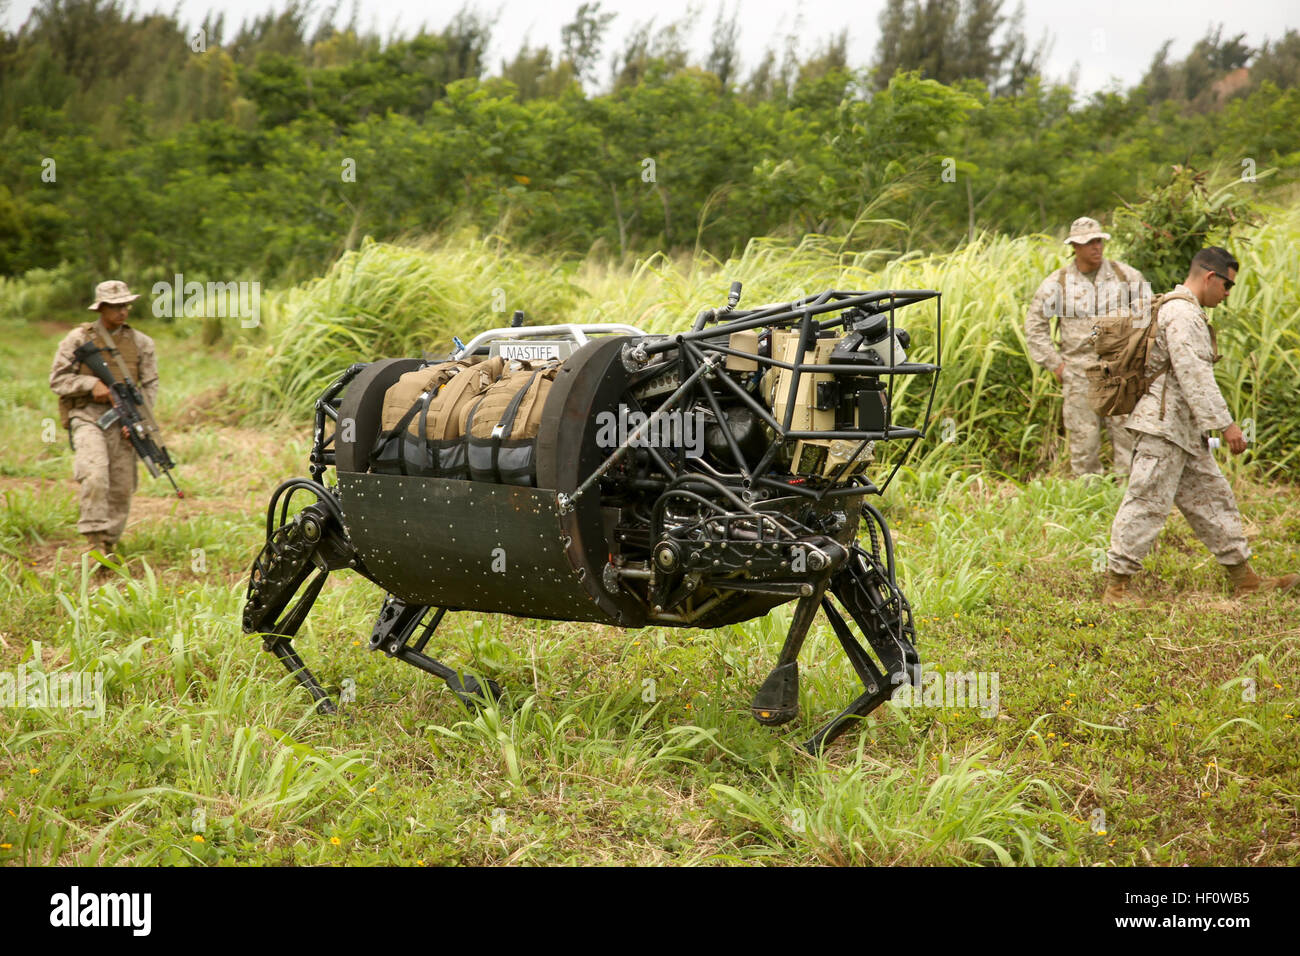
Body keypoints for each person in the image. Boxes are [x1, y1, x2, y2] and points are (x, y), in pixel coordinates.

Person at [1103, 247, 1297, 603]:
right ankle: (1116, 587)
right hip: (1162, 429)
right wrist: (1226, 425)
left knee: (1214, 498)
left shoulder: (1183, 311)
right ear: (1211, 277)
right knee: (1146, 503)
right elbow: (1195, 376)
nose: (1226, 294)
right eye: (1227, 286)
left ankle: (1245, 581)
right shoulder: (1181, 313)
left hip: (1184, 430)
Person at [1025, 216, 1148, 477]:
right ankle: (1089, 499)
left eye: (1098, 241)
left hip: (1120, 372)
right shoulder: (1057, 284)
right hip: (1080, 373)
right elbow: (1035, 326)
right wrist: (1056, 365)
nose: (1096, 248)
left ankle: (1127, 497)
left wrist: (1138, 358)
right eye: (1088, 243)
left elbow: (1149, 319)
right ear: (1075, 247)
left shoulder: (1125, 276)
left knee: (1128, 439)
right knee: (1084, 442)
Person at [49, 280, 159, 562]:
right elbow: (58, 380)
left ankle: (110, 544)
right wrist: (90, 384)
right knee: (96, 473)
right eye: (115, 306)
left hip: (123, 420)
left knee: (122, 485)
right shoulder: (77, 339)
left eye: (126, 305)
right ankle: (94, 542)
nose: (122, 311)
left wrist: (138, 421)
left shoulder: (142, 343)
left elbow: (149, 387)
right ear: (101, 308)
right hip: (86, 415)